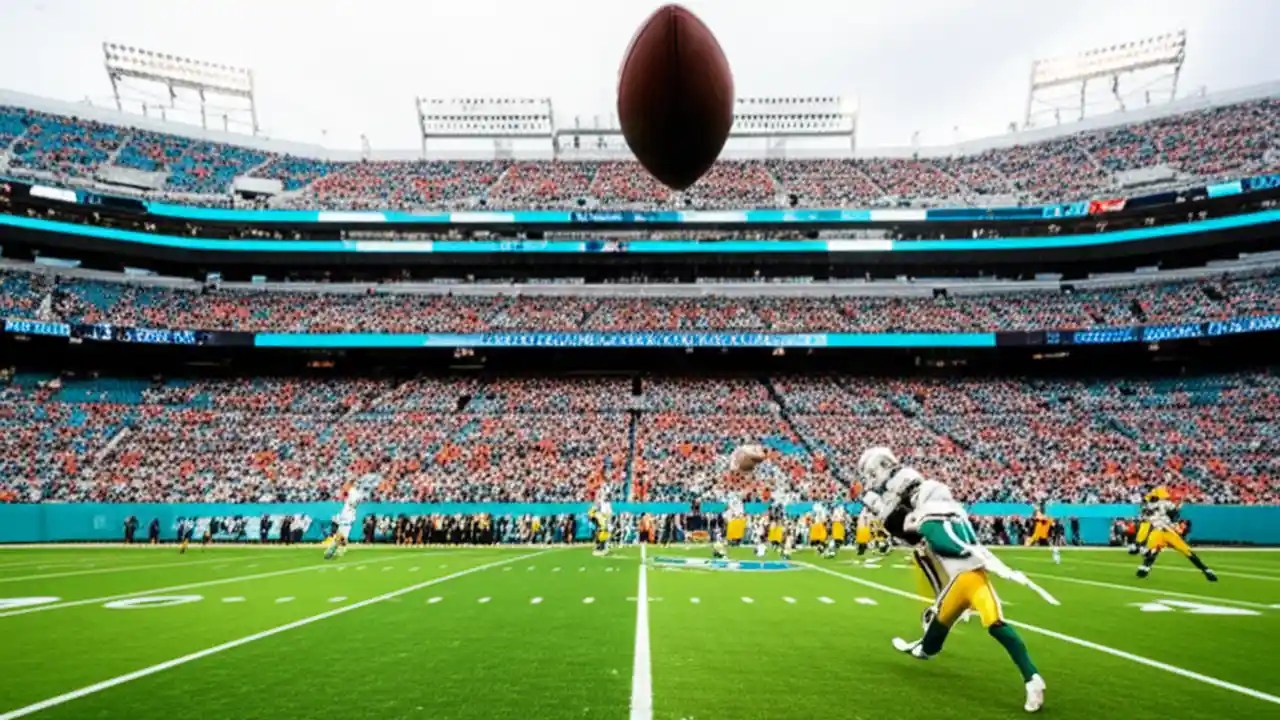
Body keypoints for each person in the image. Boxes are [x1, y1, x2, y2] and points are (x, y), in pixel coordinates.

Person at [858, 447, 1049, 714]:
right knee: (935, 633)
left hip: (972, 580)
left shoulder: (931, 516)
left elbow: (936, 540)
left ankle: (1032, 678)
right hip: (959, 584)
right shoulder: (950, 512)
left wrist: (908, 522)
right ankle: (922, 647)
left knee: (995, 624)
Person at [1136, 486, 1216, 582]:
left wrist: (1174, 515)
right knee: (1151, 550)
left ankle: (1205, 569)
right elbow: (1172, 514)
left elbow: (1172, 514)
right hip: (1160, 530)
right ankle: (1145, 566)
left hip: (1166, 530)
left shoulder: (1154, 504)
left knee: (1185, 551)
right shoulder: (1157, 504)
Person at [325, 488, 362, 560]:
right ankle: (332, 551)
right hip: (344, 523)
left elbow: (349, 496)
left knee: (342, 540)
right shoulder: (350, 505)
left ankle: (333, 551)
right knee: (339, 539)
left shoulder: (350, 504)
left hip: (346, 524)